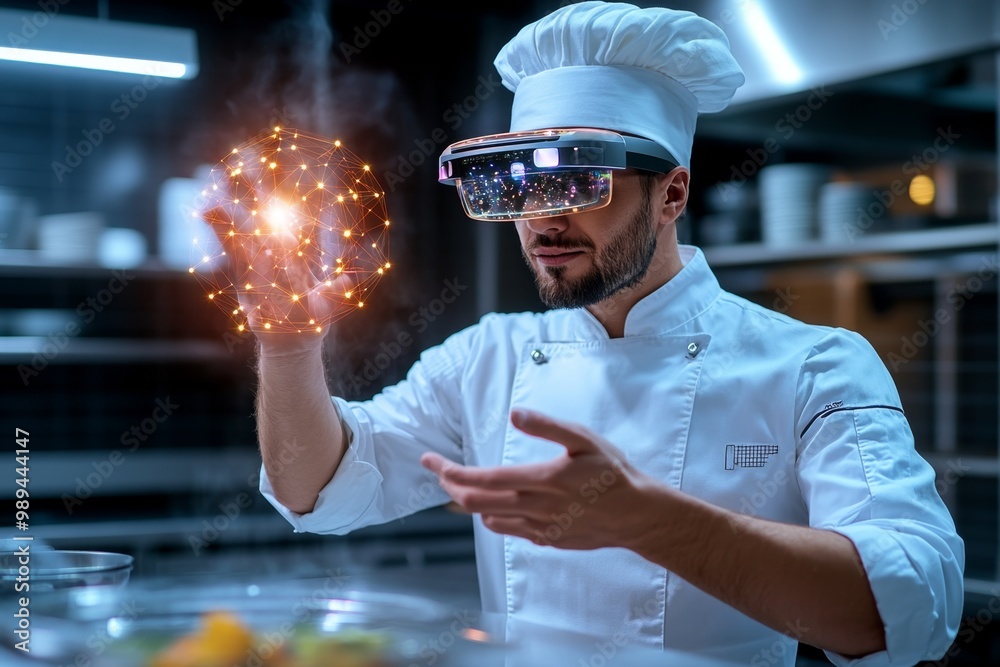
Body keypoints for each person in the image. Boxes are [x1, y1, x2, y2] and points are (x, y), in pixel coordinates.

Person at [245, 2, 964, 665]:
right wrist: (287, 345)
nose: (543, 221)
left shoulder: (815, 368)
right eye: (520, 185)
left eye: (578, 181)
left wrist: (651, 520)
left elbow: (912, 608)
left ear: (672, 193)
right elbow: (318, 488)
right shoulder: (485, 359)